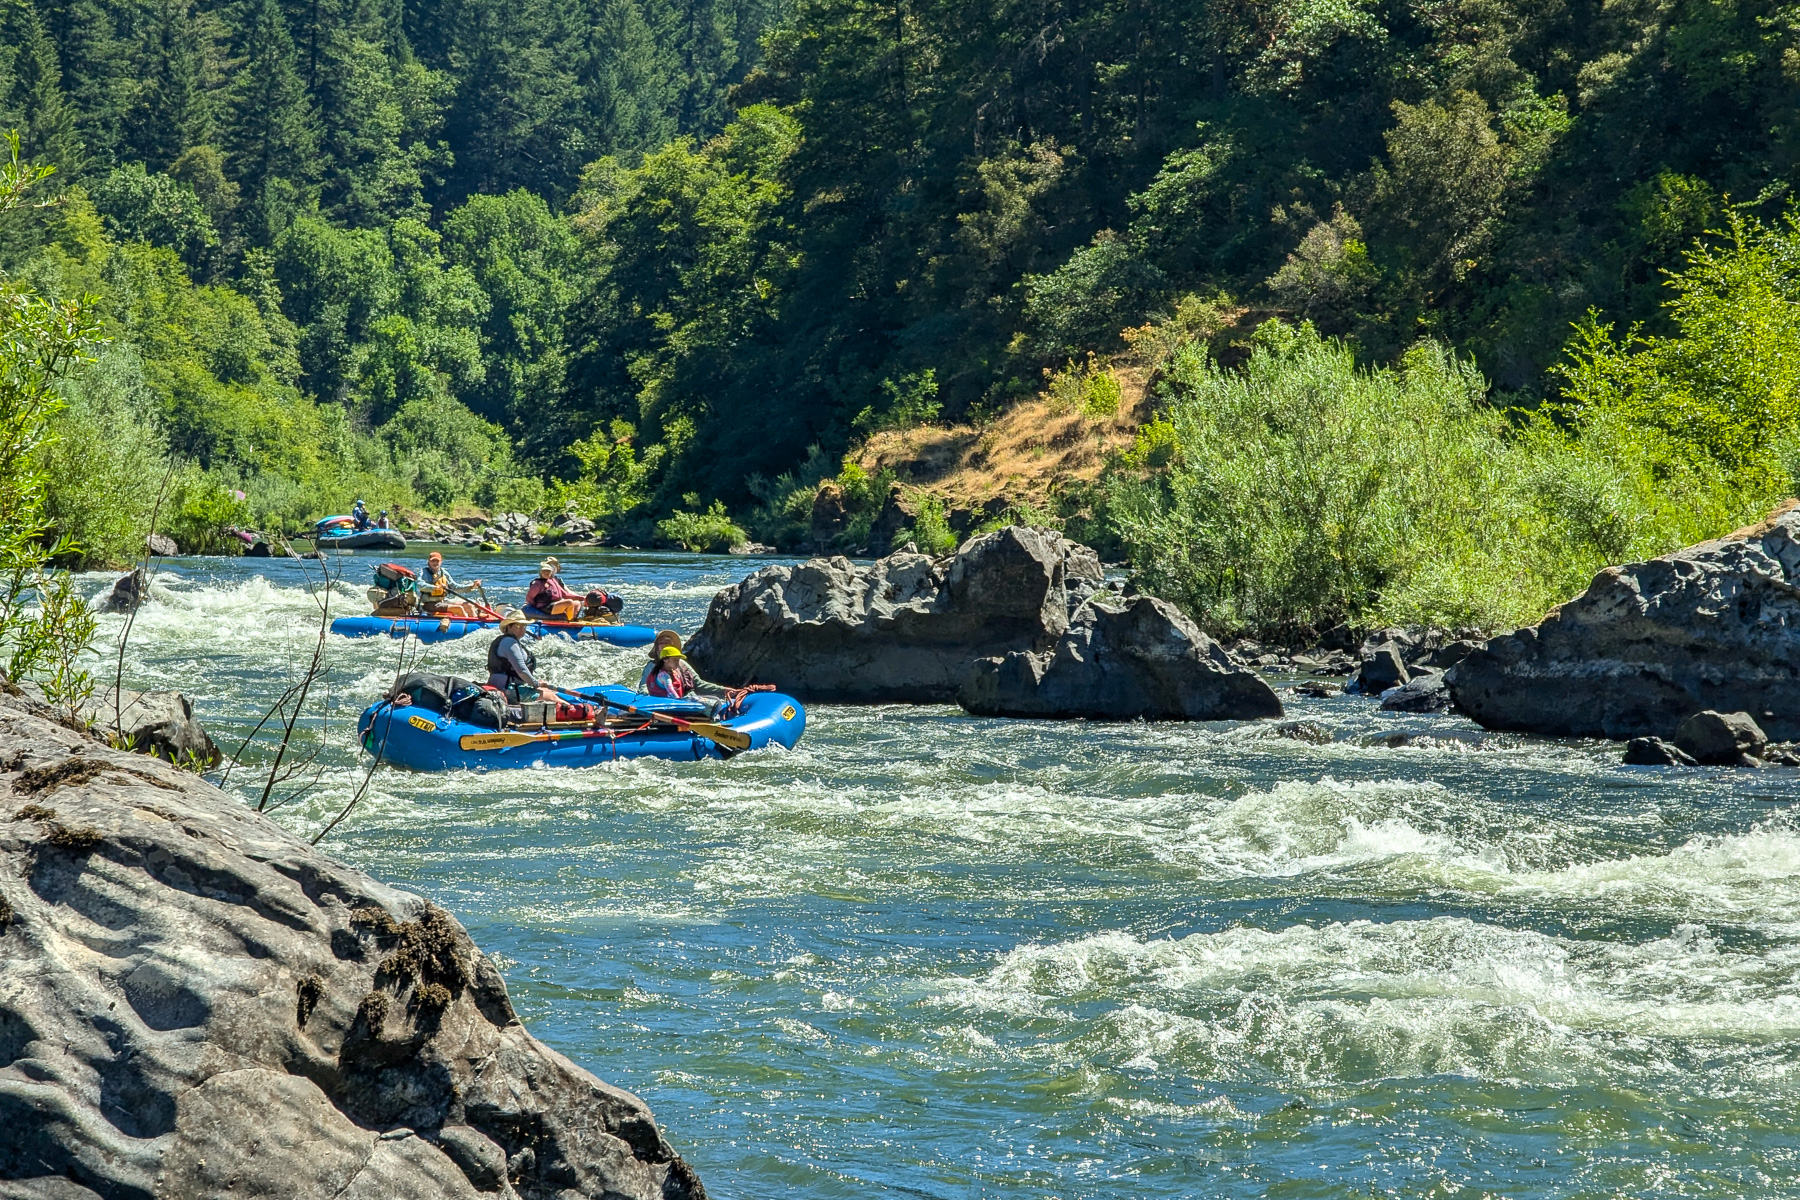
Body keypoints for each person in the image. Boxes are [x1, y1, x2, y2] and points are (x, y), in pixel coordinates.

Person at [636, 631, 735, 715]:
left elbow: (699, 684)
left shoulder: (681, 664)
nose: (665, 645)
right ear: (656, 647)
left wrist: (724, 690)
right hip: (666, 704)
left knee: (717, 702)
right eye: (661, 643)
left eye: (668, 643)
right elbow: (644, 688)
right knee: (711, 704)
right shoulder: (652, 667)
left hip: (687, 700)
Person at [487, 610, 557, 704]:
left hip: (508, 686)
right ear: (508, 627)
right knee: (550, 696)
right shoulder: (509, 642)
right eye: (517, 626)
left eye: (524, 626)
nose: (522, 629)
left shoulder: (511, 641)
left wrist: (536, 682)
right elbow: (522, 671)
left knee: (549, 691)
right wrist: (536, 684)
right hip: (507, 690)